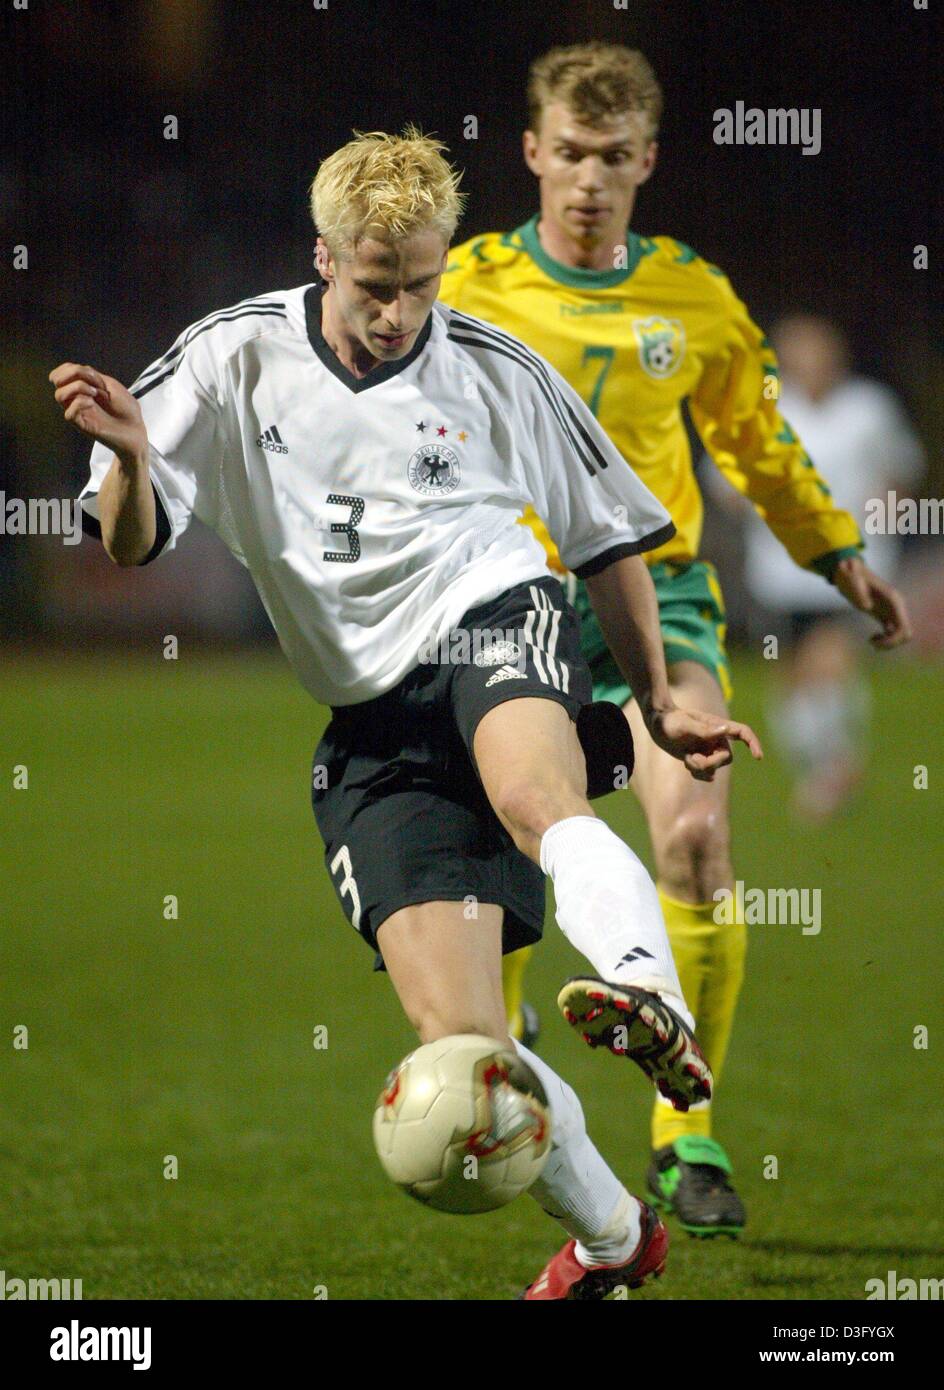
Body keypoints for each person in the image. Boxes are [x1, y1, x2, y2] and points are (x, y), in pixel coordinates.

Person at [50, 128, 762, 1299]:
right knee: (467, 1063)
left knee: (537, 791)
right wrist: (129, 457)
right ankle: (615, 1243)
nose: (398, 312)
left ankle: (649, 990)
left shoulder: (493, 365)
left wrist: (650, 699)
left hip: (492, 614)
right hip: (371, 728)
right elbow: (129, 544)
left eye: (420, 284)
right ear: (321, 256)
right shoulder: (229, 358)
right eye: (376, 286)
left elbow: (605, 544)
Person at [438, 43, 912, 1237]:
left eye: (613, 158)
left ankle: (681, 1133)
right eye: (569, 154)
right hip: (511, 604)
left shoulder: (691, 295)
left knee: (696, 835)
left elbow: (758, 440)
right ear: (532, 151)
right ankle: (501, 1035)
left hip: (660, 605)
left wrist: (836, 554)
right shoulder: (467, 285)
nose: (588, 179)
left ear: (644, 161)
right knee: (515, 842)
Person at [740, 315, 924, 818]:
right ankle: (820, 760)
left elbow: (901, 470)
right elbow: (729, 480)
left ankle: (834, 768)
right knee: (790, 678)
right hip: (779, 569)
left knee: (831, 659)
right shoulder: (768, 412)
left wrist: (886, 512)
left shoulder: (868, 408)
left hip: (853, 562)